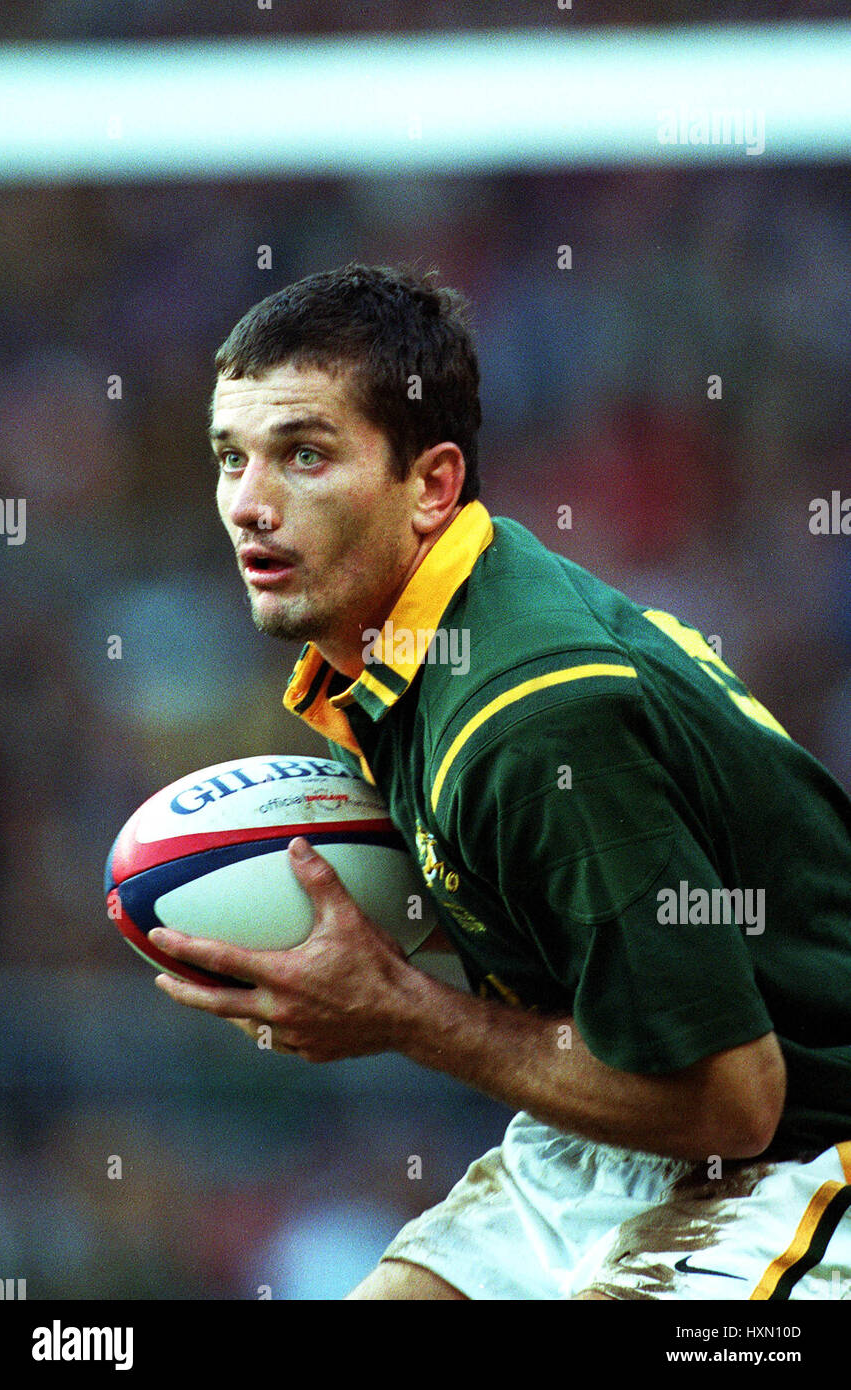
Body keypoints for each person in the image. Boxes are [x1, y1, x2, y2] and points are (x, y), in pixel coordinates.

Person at [149, 263, 851, 1300]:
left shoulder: (527, 720)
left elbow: (732, 1098)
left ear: (431, 485)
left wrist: (394, 1008)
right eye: (230, 457)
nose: (249, 504)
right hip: (615, 1124)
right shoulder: (407, 641)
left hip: (798, 1145)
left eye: (302, 454)